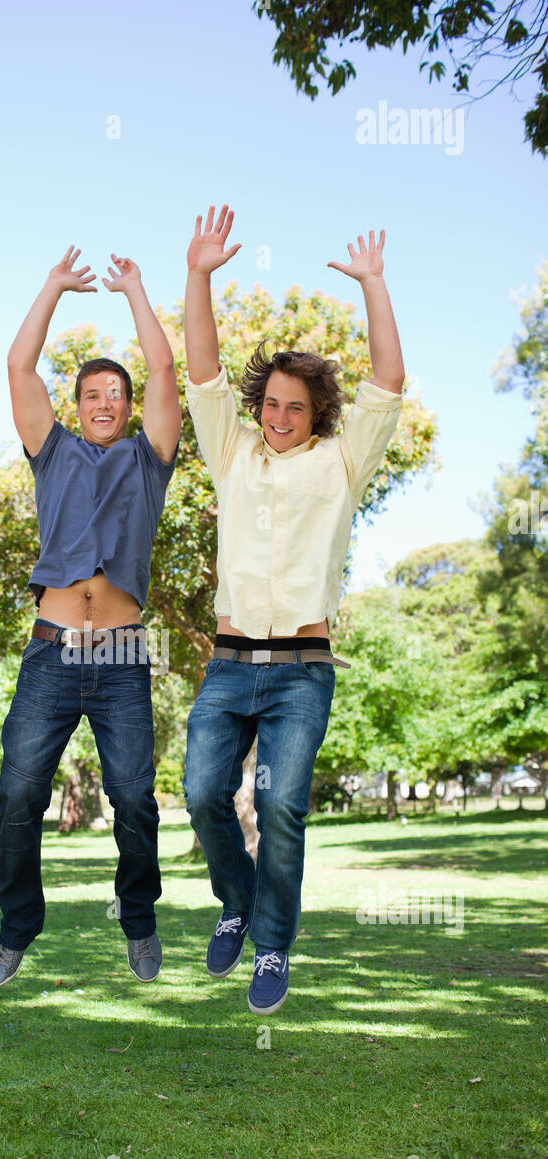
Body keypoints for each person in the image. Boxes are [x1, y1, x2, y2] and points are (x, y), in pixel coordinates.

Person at [182, 207, 404, 1016]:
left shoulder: (342, 464)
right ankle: (234, 901)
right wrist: (199, 274)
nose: (278, 418)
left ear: (317, 417)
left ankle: (272, 945)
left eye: (294, 409)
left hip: (303, 674)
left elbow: (387, 383)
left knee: (280, 803)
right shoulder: (232, 451)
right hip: (229, 665)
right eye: (270, 404)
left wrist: (374, 285)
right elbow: (201, 371)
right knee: (204, 793)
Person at [0, 246, 181, 988]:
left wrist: (135, 287)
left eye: (116, 395)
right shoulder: (53, 451)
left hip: (124, 656)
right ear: (77, 406)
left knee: (133, 794)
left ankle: (138, 922)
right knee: (19, 793)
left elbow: (165, 373)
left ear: (129, 409)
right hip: (52, 651)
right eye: (92, 393)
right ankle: (16, 930)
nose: (105, 403)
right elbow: (17, 367)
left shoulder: (147, 459)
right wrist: (53, 288)